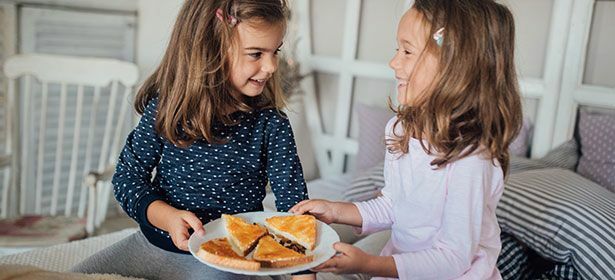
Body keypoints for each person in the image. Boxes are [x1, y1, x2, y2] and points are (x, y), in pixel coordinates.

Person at [71, 1, 313, 279]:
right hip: (150, 245)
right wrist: (166, 217)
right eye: (256, 53)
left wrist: (303, 273)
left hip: (226, 259)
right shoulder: (165, 108)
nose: (271, 66)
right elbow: (127, 177)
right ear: (210, 51)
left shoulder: (272, 124)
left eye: (275, 51)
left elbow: (294, 211)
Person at [290, 0, 522, 279]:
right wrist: (335, 210)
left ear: (455, 66)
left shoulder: (472, 159)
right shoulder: (401, 129)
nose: (393, 62)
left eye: (407, 51)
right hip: (402, 265)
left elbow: (453, 259)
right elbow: (393, 205)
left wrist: (368, 264)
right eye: (396, 49)